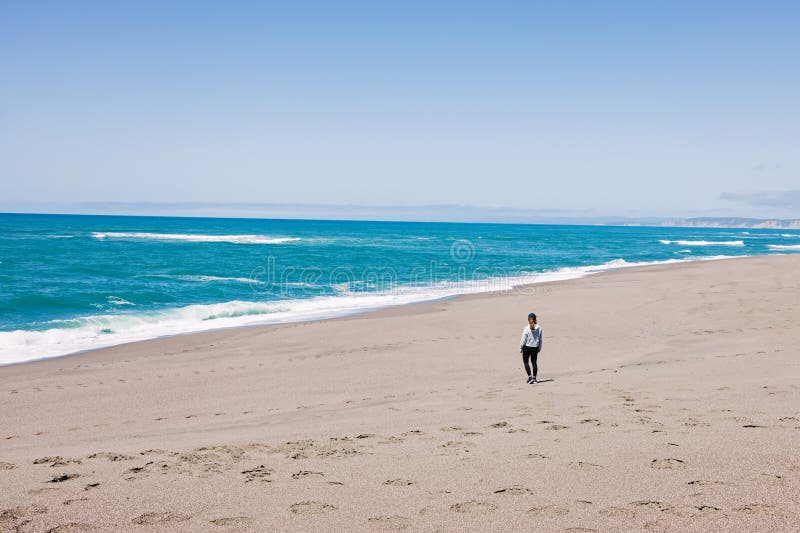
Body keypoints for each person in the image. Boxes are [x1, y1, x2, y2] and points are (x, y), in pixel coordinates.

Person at [519, 312, 543, 384]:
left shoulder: (526, 328)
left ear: (528, 319)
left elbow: (523, 338)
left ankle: (530, 377)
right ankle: (534, 378)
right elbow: (540, 339)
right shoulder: (539, 327)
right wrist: (539, 348)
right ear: (535, 319)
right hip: (535, 347)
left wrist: (520, 347)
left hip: (527, 347)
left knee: (526, 362)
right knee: (534, 363)